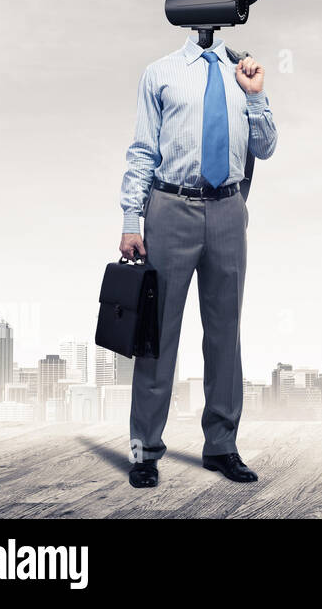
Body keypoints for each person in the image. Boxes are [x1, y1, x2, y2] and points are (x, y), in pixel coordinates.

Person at [118, 33, 277, 488]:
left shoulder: (242, 74)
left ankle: (222, 446)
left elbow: (265, 148)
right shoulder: (161, 73)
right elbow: (144, 150)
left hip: (228, 209)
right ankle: (145, 450)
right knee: (157, 333)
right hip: (170, 208)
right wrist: (132, 218)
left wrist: (257, 96)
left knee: (225, 333)